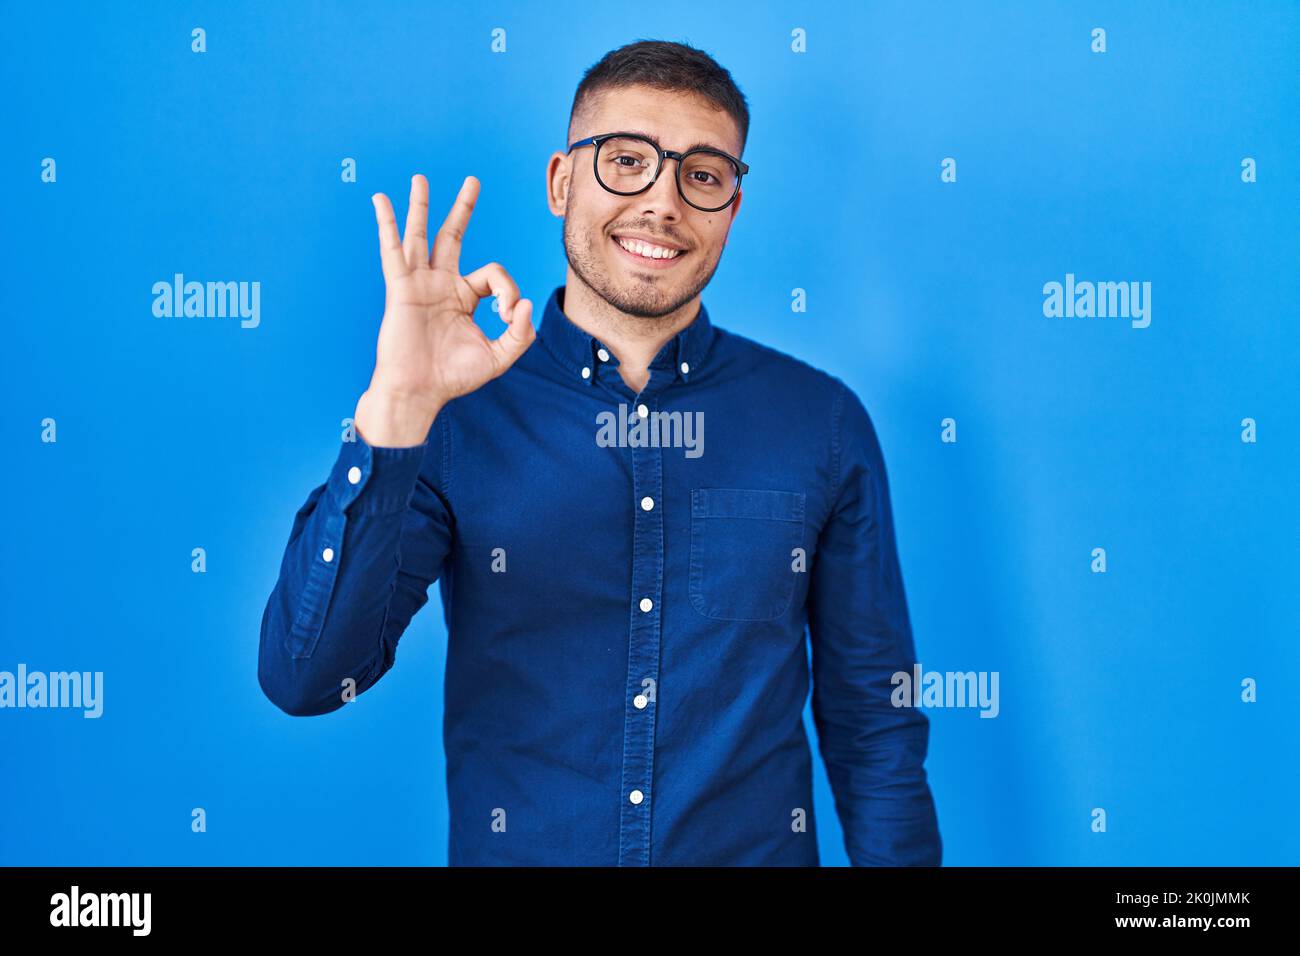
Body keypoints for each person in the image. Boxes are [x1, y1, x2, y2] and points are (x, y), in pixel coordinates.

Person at [258, 39, 941, 867]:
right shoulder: (455, 418)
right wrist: (397, 407)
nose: (662, 203)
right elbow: (306, 679)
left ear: (731, 205)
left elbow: (875, 725)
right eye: (626, 161)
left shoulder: (821, 423)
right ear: (560, 182)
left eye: (703, 174)